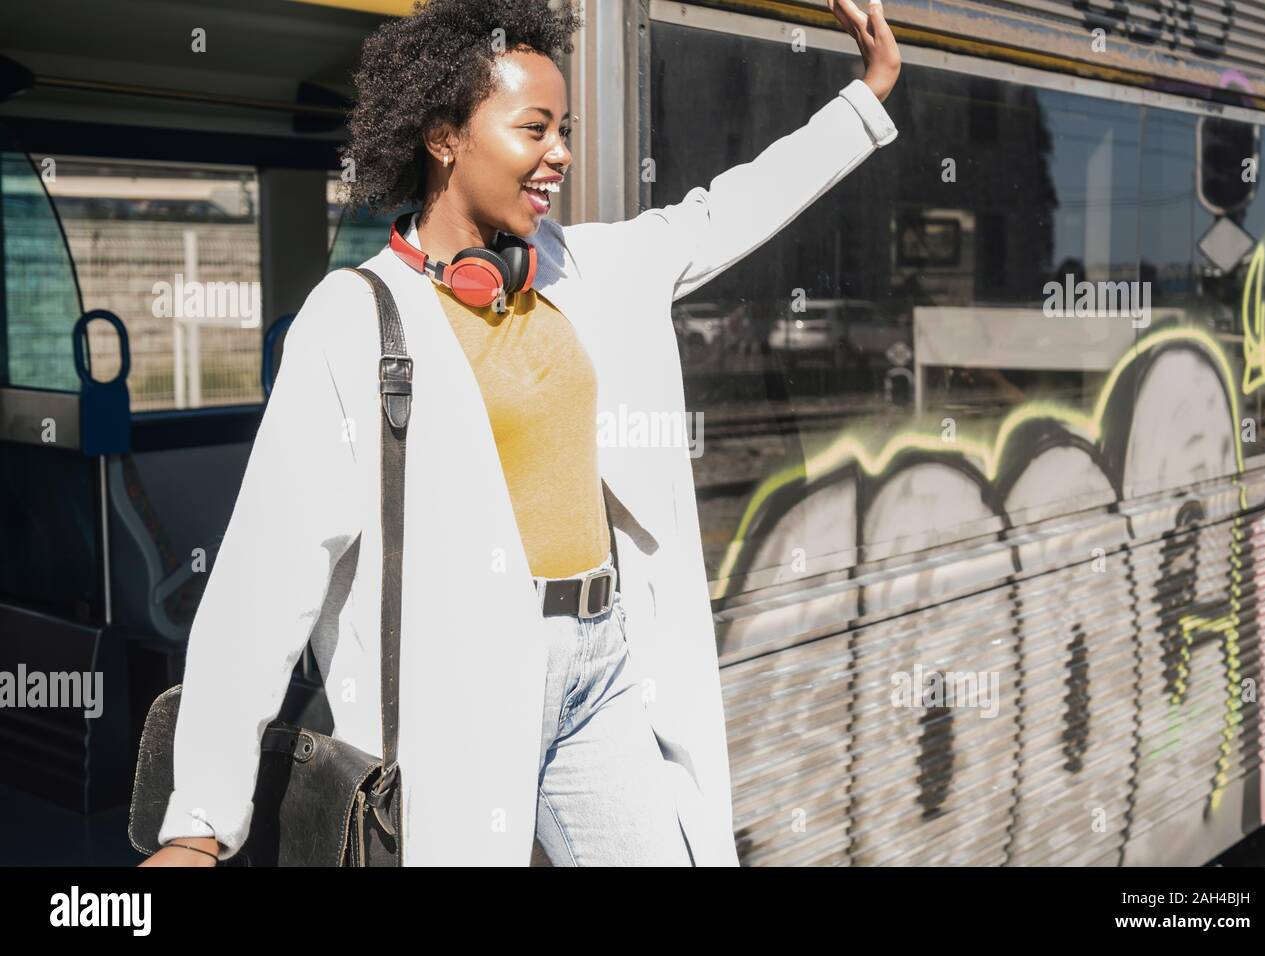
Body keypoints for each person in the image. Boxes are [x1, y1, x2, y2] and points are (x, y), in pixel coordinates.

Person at [139, 0, 900, 867]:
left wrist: (865, 98)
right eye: (534, 128)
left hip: (605, 662)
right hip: (469, 683)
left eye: (566, 128)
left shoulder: (586, 269)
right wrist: (198, 824)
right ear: (444, 136)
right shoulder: (354, 319)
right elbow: (268, 571)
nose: (561, 155)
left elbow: (726, 210)